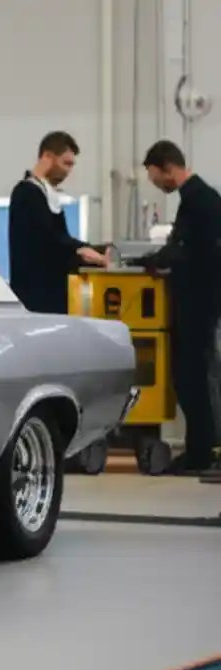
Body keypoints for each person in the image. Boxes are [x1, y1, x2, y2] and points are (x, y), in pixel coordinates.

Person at [139, 140, 221, 476]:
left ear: (167, 168)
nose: (156, 183)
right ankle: (200, 449)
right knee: (192, 378)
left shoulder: (201, 201)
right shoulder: (197, 199)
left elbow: (190, 251)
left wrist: (153, 261)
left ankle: (204, 452)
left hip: (200, 304)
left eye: (154, 176)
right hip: (198, 302)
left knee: (195, 378)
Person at [8, 131, 110, 313]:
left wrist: (89, 250)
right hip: (37, 297)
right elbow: (48, 240)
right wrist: (82, 250)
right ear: (47, 157)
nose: (68, 171)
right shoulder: (27, 193)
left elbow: (59, 238)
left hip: (53, 293)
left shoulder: (46, 193)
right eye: (66, 163)